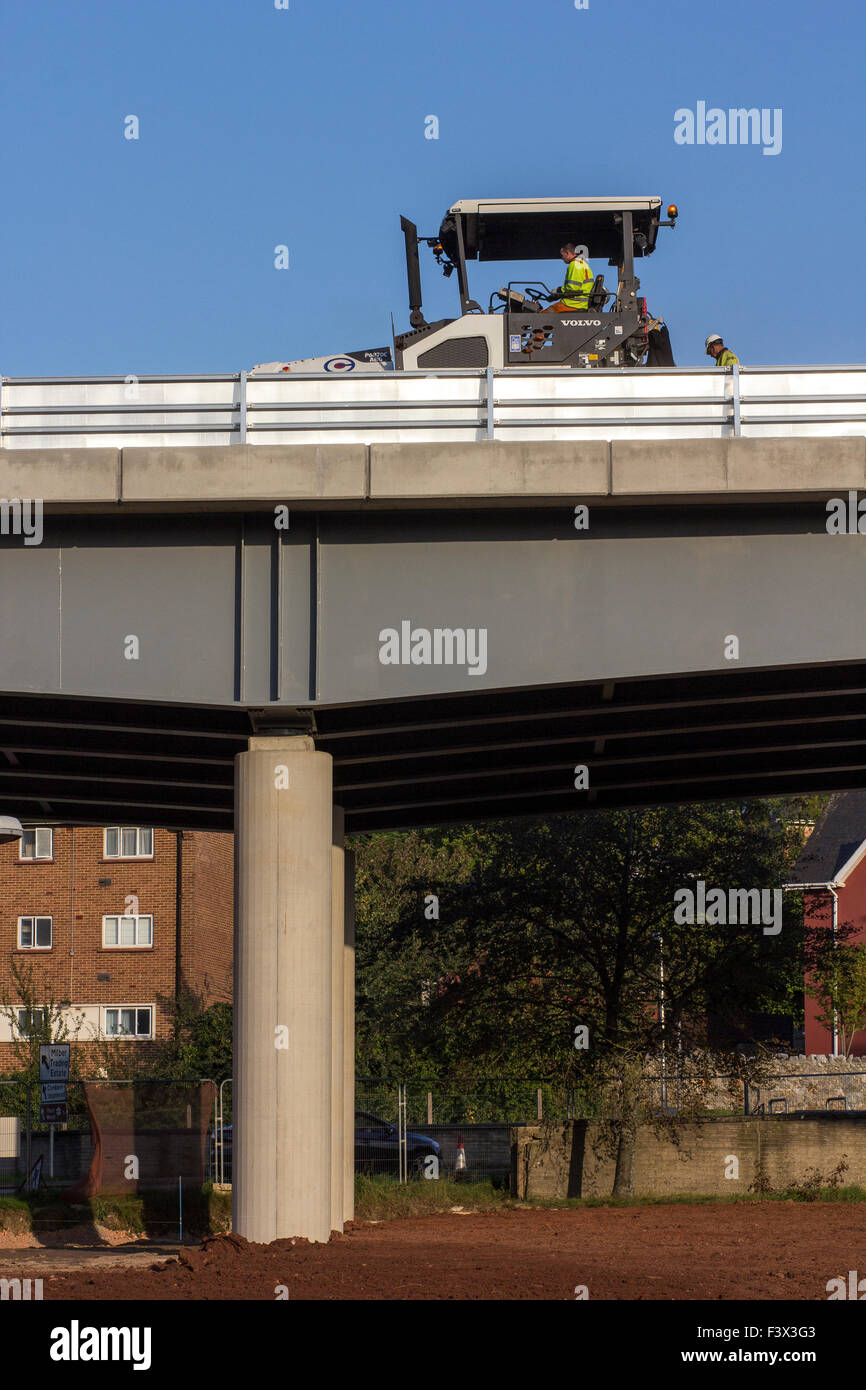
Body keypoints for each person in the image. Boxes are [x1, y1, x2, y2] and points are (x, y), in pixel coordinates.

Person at [545, 245, 595, 312]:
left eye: (562, 255)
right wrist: (557, 296)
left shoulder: (575, 264)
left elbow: (572, 289)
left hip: (573, 304)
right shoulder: (582, 263)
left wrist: (558, 291)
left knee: (544, 314)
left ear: (568, 253)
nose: (562, 258)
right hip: (581, 303)